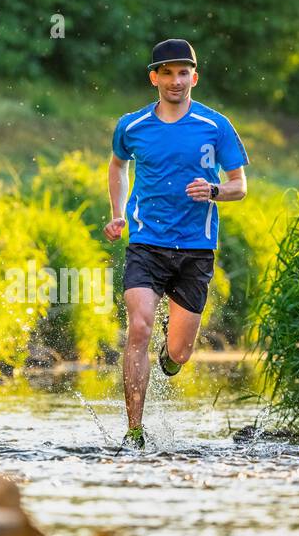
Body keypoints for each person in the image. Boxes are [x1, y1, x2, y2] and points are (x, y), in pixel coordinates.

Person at [104, 38, 249, 450]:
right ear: (154, 78)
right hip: (146, 243)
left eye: (183, 72)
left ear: (194, 78)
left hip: (196, 248)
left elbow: (240, 185)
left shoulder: (215, 126)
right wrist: (117, 212)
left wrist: (216, 190)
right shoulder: (131, 126)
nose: (175, 80)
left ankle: (172, 353)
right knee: (138, 328)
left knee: (180, 354)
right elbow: (118, 165)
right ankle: (134, 430)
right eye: (166, 72)